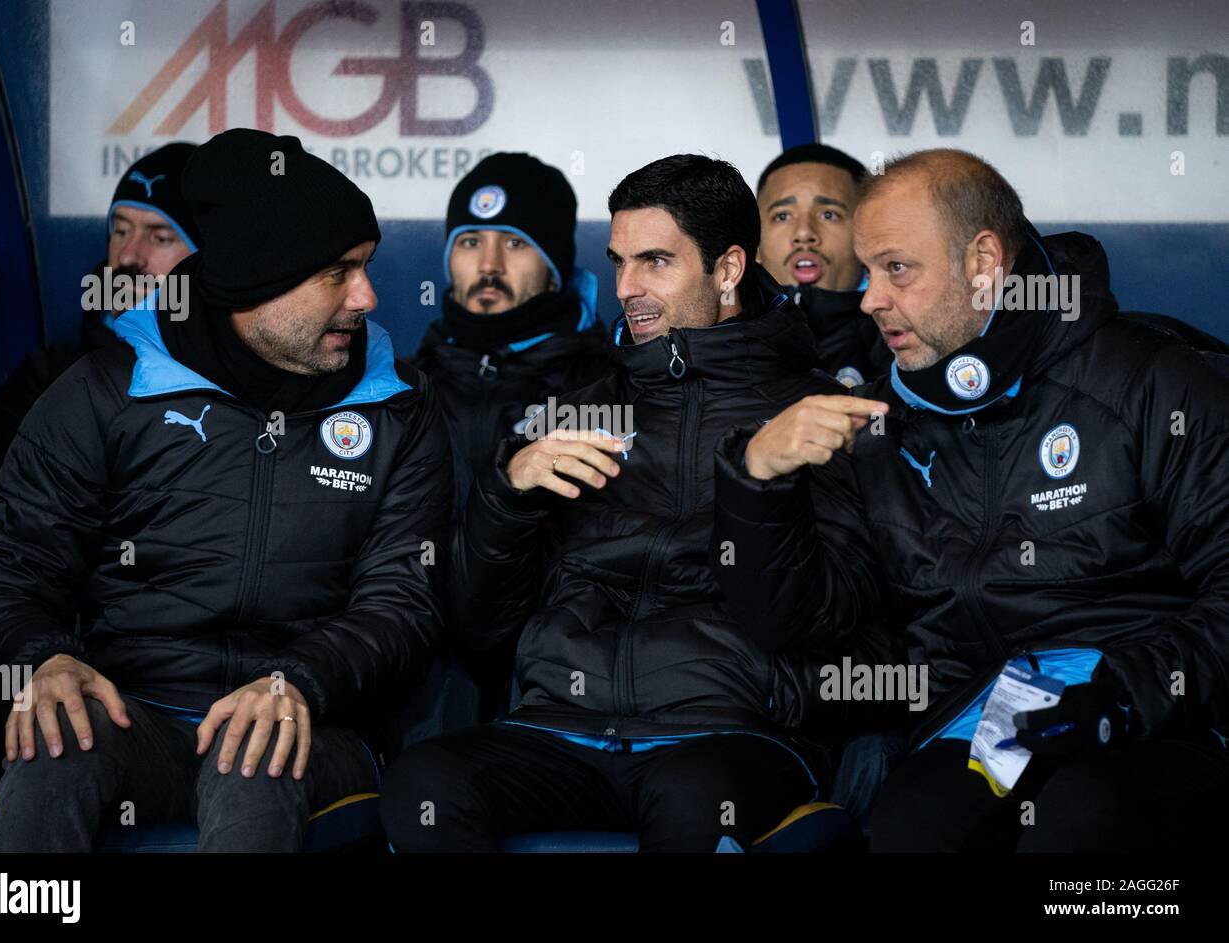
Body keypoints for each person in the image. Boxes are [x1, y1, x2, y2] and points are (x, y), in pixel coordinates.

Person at [0, 128, 452, 852]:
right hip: (133, 713)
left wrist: (300, 681)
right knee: (57, 743)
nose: (368, 296)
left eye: (364, 267)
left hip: (312, 721)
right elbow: (2, 569)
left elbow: (404, 603)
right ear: (254, 282)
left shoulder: (399, 408)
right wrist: (43, 659)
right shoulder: (106, 390)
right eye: (338, 272)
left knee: (253, 757)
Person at [715, 148, 1229, 852]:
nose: (869, 298)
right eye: (867, 272)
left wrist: (1122, 694)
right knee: (909, 831)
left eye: (896, 269)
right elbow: (800, 623)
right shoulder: (873, 421)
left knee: (1079, 826)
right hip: (975, 720)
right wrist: (759, 482)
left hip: (1164, 714)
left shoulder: (1152, 382)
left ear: (984, 261)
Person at [380, 154, 888, 853]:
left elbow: (816, 620)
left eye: (655, 261)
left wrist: (759, 483)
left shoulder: (812, 412)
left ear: (729, 268)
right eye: (619, 261)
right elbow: (479, 632)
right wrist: (507, 495)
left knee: (694, 795)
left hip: (727, 729)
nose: (627, 288)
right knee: (426, 782)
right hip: (561, 725)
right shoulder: (580, 405)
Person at [0, 143, 200, 524]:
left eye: (160, 237)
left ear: (206, 255)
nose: (129, 257)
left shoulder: (239, 381)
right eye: (120, 231)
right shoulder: (48, 377)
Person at [413, 152, 608, 508]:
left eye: (515, 243)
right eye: (470, 242)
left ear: (554, 267)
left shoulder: (607, 387)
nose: (489, 266)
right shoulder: (404, 389)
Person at [755, 143, 889, 387]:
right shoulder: (715, 346)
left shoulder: (905, 344)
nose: (804, 233)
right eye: (782, 216)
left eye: (829, 214)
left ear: (867, 237)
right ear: (754, 244)